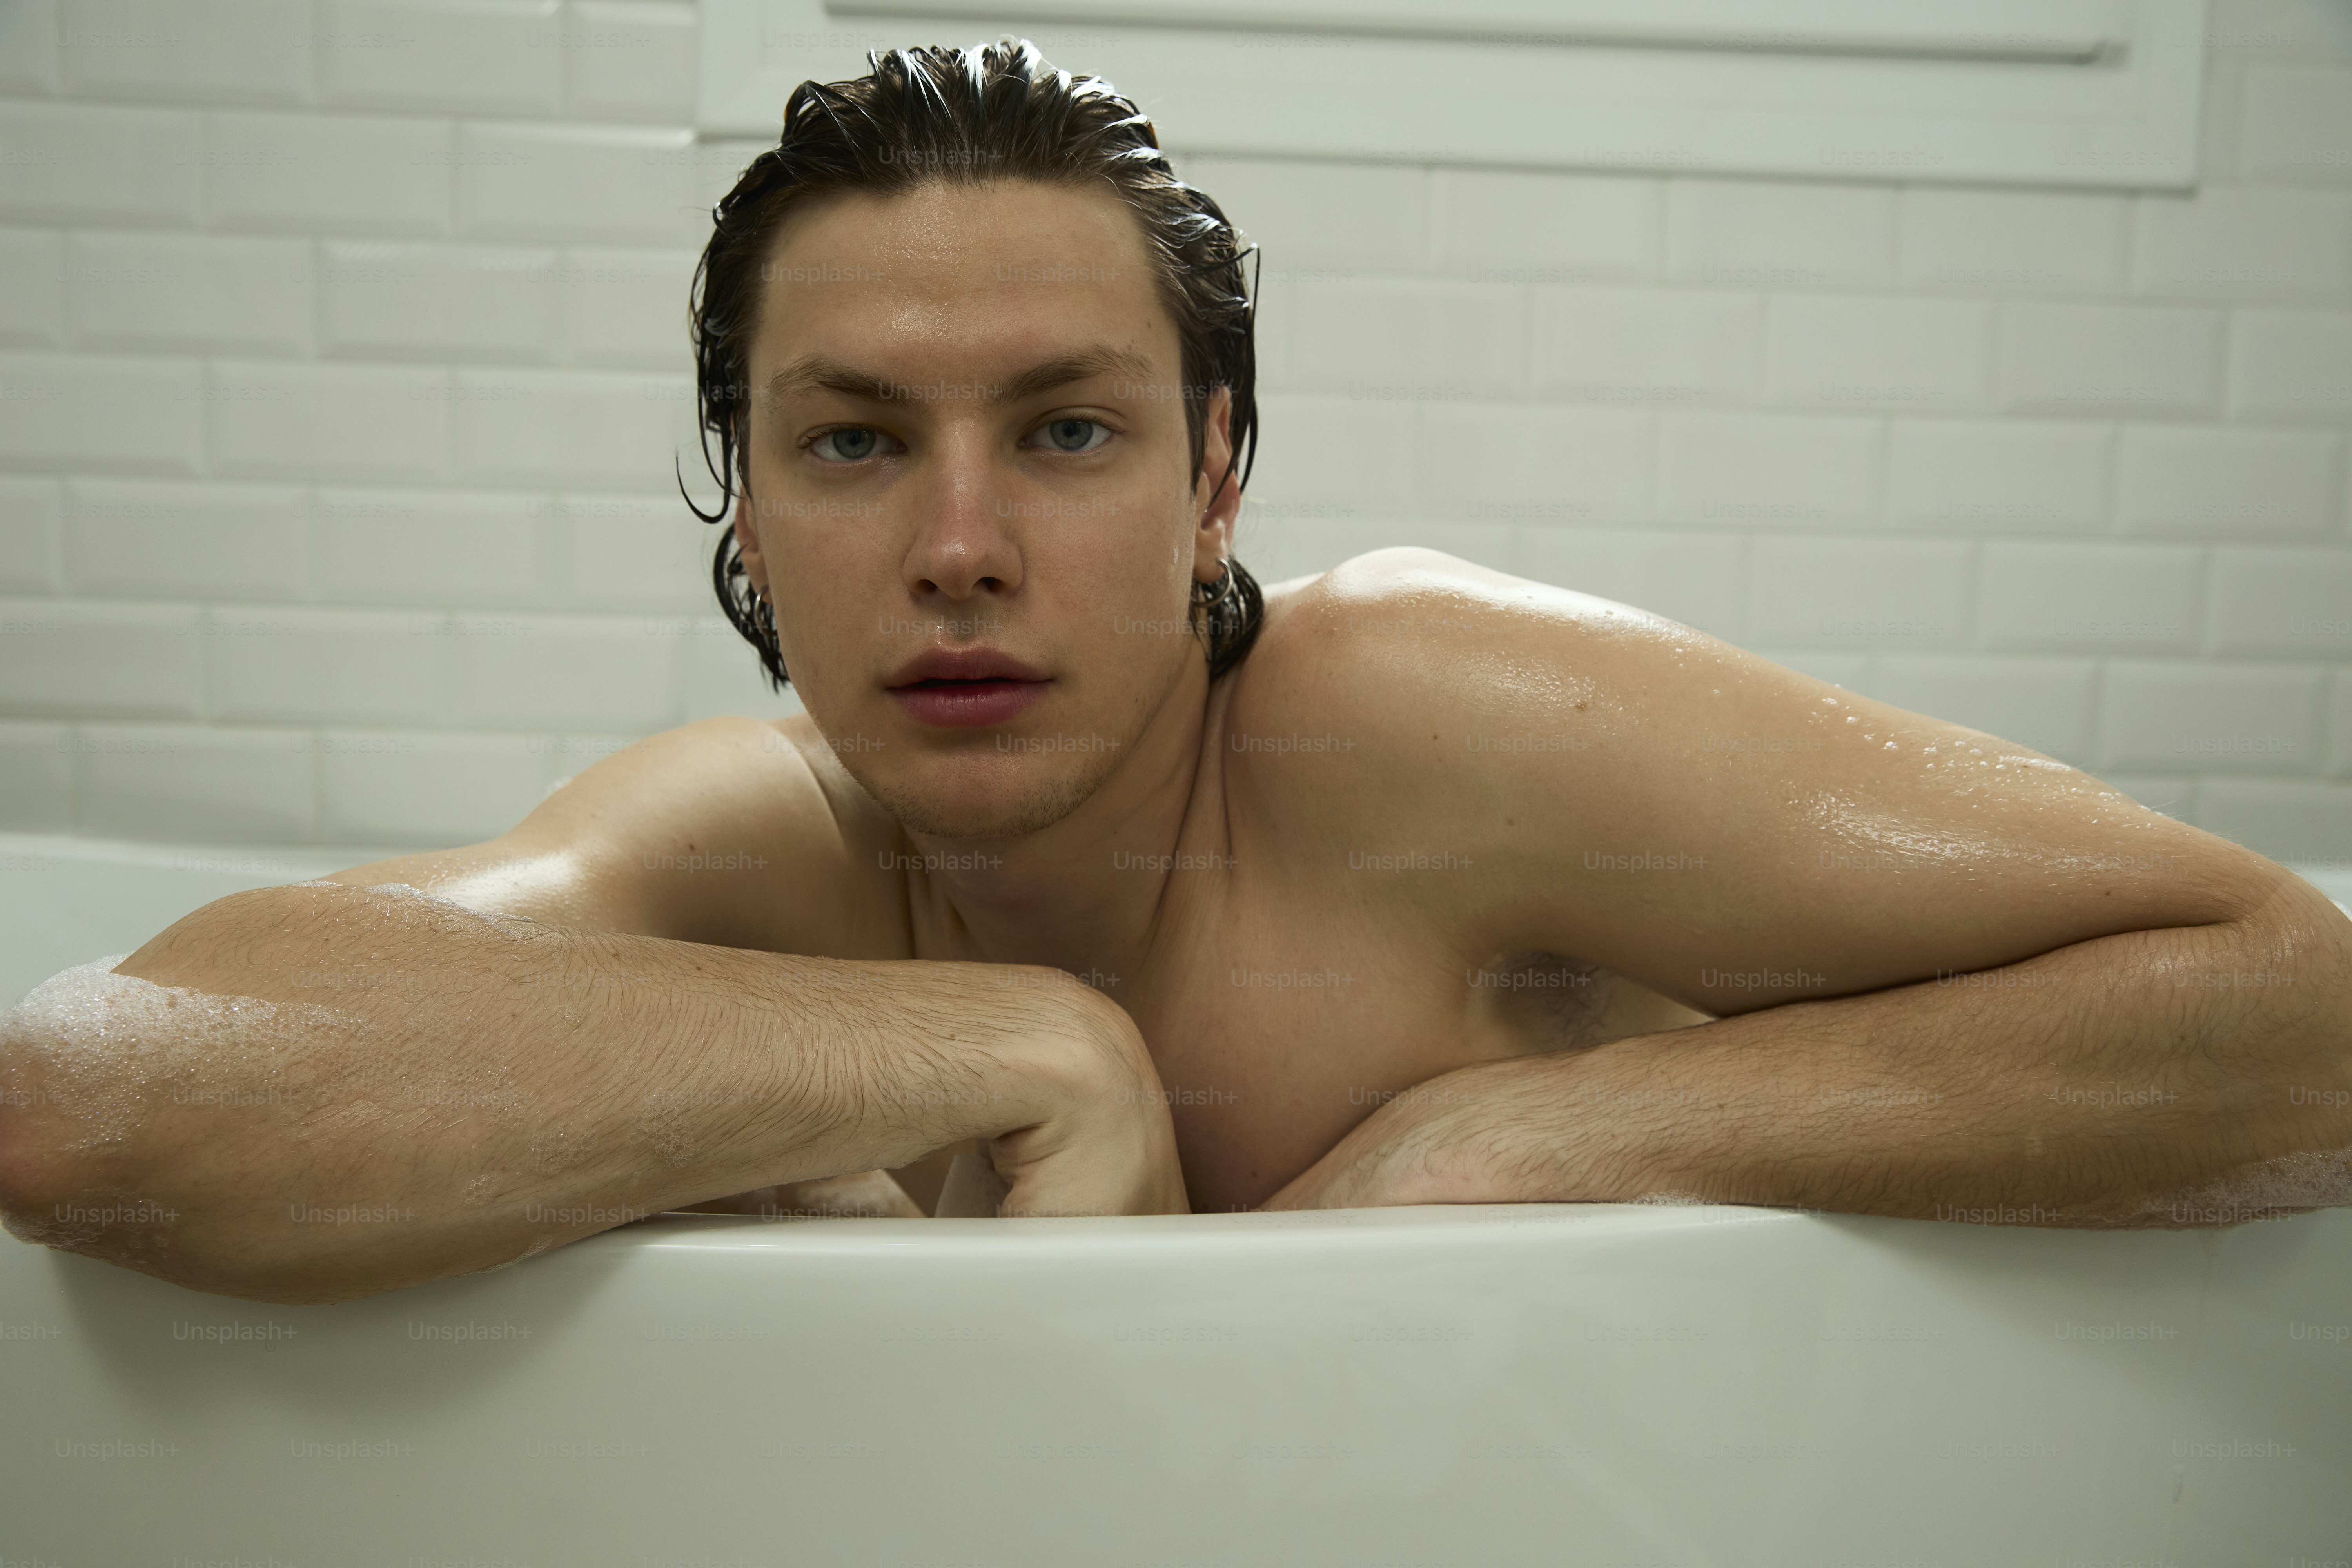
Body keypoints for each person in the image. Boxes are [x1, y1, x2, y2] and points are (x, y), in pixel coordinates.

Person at [4, 41, 2347, 1306]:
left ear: (1218, 476)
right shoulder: (763, 853)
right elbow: (86, 1095)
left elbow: (2297, 1006)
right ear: (740, 499)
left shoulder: (1412, 725)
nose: (955, 546)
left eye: (1070, 431)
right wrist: (1009, 1045)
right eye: (848, 441)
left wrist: (1528, 1138)